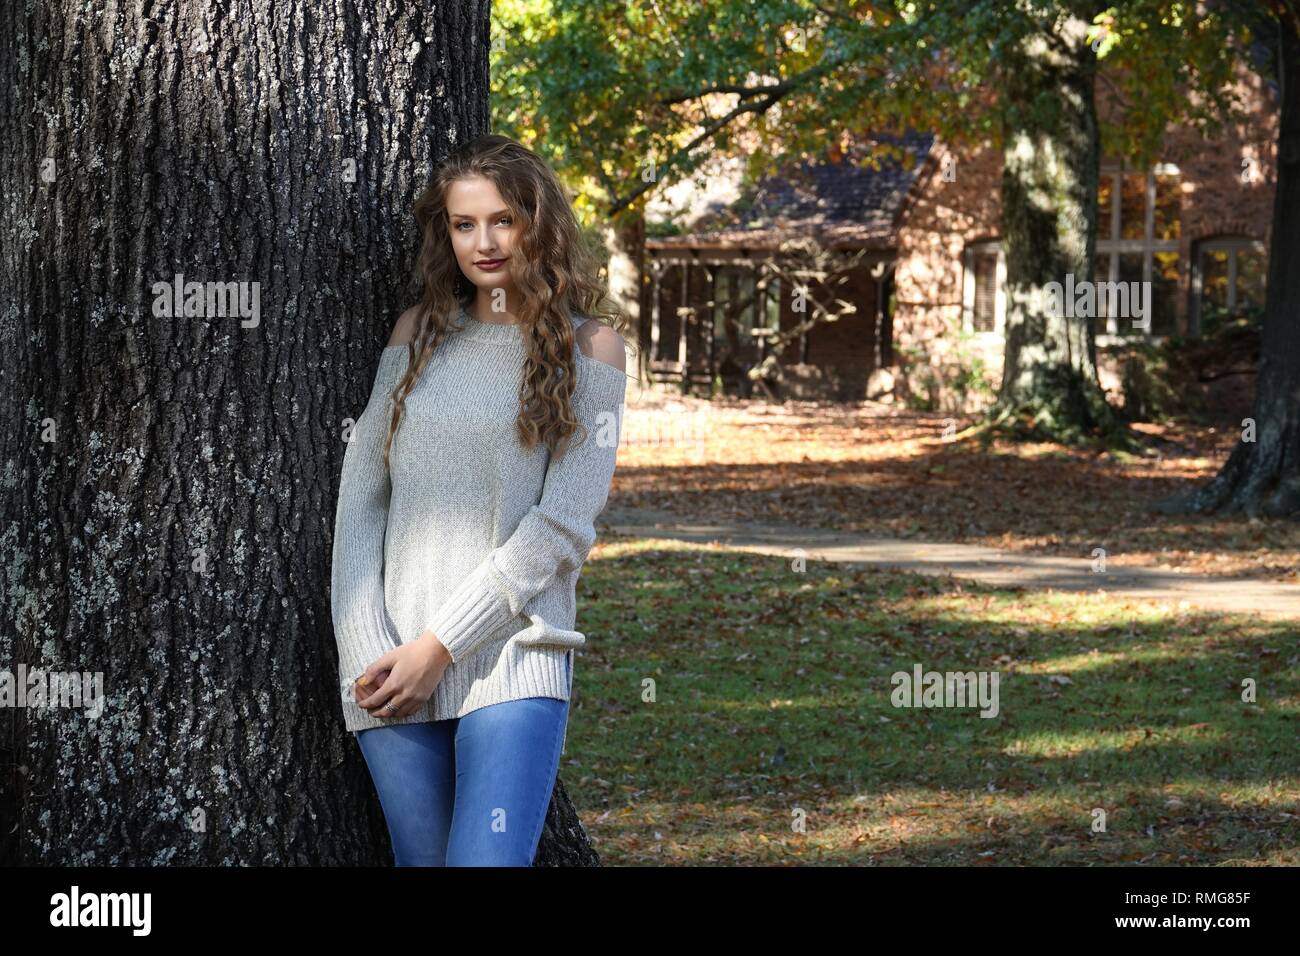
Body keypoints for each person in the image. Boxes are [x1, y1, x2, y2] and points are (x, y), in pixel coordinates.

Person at [329, 133, 632, 866]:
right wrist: (371, 647)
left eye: (503, 219)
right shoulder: (417, 335)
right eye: (465, 225)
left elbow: (561, 526)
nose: (484, 242)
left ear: (540, 222)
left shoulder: (593, 349)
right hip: (389, 666)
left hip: (513, 660)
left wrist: (441, 646)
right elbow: (361, 497)